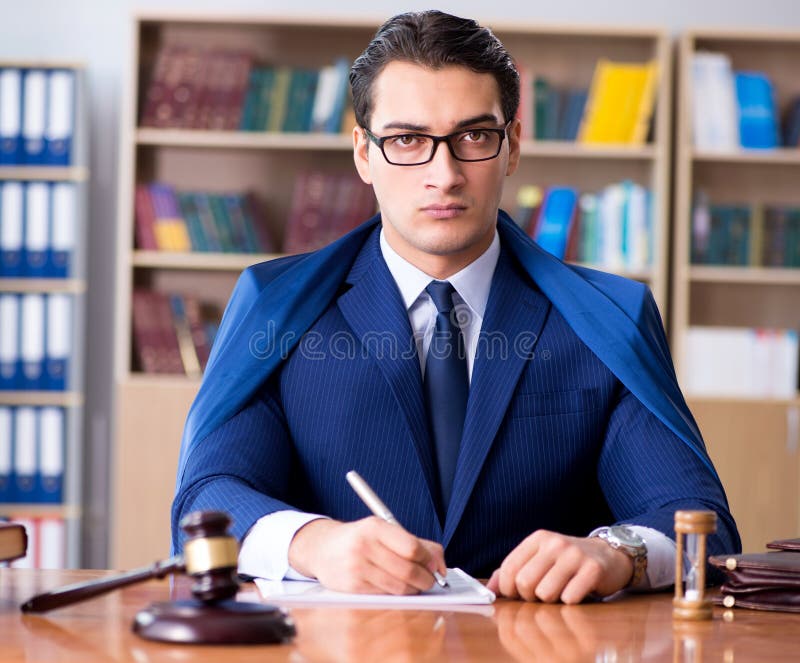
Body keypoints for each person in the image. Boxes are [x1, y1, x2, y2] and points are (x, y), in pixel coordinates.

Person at [172, 10, 739, 604]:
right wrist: (313, 544)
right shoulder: (275, 307)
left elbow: (699, 522)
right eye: (407, 140)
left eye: (473, 136)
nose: (443, 175)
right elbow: (208, 496)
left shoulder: (609, 317)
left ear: (512, 147)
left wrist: (618, 551)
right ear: (364, 153)